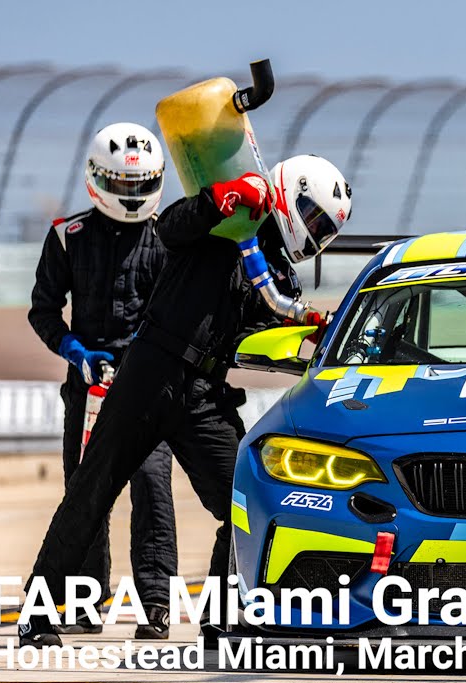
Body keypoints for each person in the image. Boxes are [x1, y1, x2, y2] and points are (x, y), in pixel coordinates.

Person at [18, 155, 352, 648]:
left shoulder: (278, 272)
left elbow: (257, 330)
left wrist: (306, 326)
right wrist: (219, 199)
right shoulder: (228, 217)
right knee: (92, 491)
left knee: (242, 503)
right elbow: (171, 229)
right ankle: (36, 616)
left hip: (204, 392)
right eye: (315, 217)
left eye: (324, 227)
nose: (315, 231)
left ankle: (218, 621)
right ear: (291, 193)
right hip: (148, 374)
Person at [28, 122, 177, 639]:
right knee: (85, 492)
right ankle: (85, 599)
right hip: (87, 388)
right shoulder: (67, 237)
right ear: (96, 179)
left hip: (147, 389)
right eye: (124, 186)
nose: (133, 196)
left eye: (142, 185)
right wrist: (76, 352)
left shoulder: (168, 240)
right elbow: (43, 311)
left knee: (152, 488)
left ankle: (157, 603)